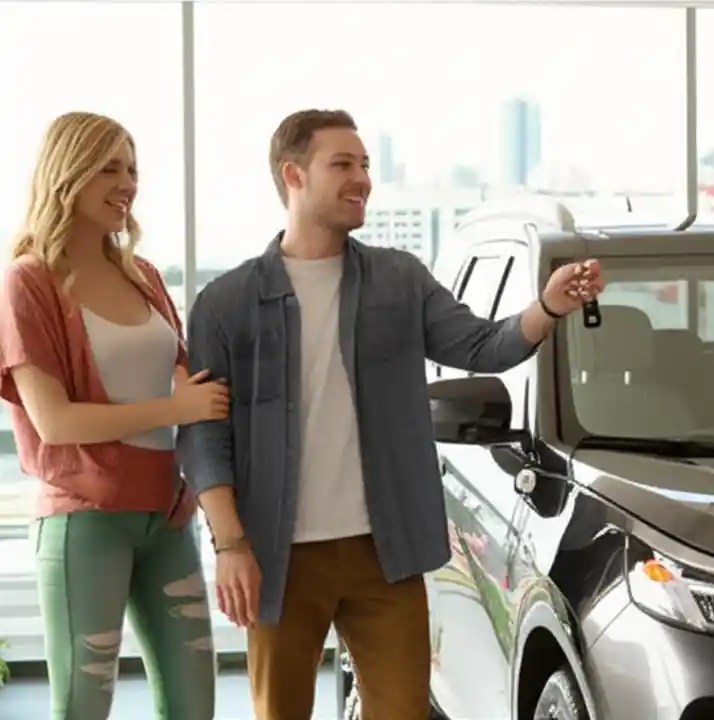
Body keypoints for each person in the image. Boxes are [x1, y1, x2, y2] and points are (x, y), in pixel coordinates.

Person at [177, 108, 604, 719]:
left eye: (366, 164)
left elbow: (482, 346)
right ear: (293, 174)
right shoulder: (227, 303)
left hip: (387, 551)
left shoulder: (399, 280)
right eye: (343, 164)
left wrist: (547, 305)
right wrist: (230, 545)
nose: (363, 179)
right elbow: (203, 434)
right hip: (279, 555)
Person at [0, 111, 227, 719]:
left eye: (131, 168)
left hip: (168, 519)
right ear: (66, 173)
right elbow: (56, 423)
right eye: (109, 167)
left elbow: (188, 380)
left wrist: (197, 470)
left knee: (194, 705)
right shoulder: (30, 282)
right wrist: (175, 408)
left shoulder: (145, 276)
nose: (127, 182)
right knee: (82, 708)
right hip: (86, 526)